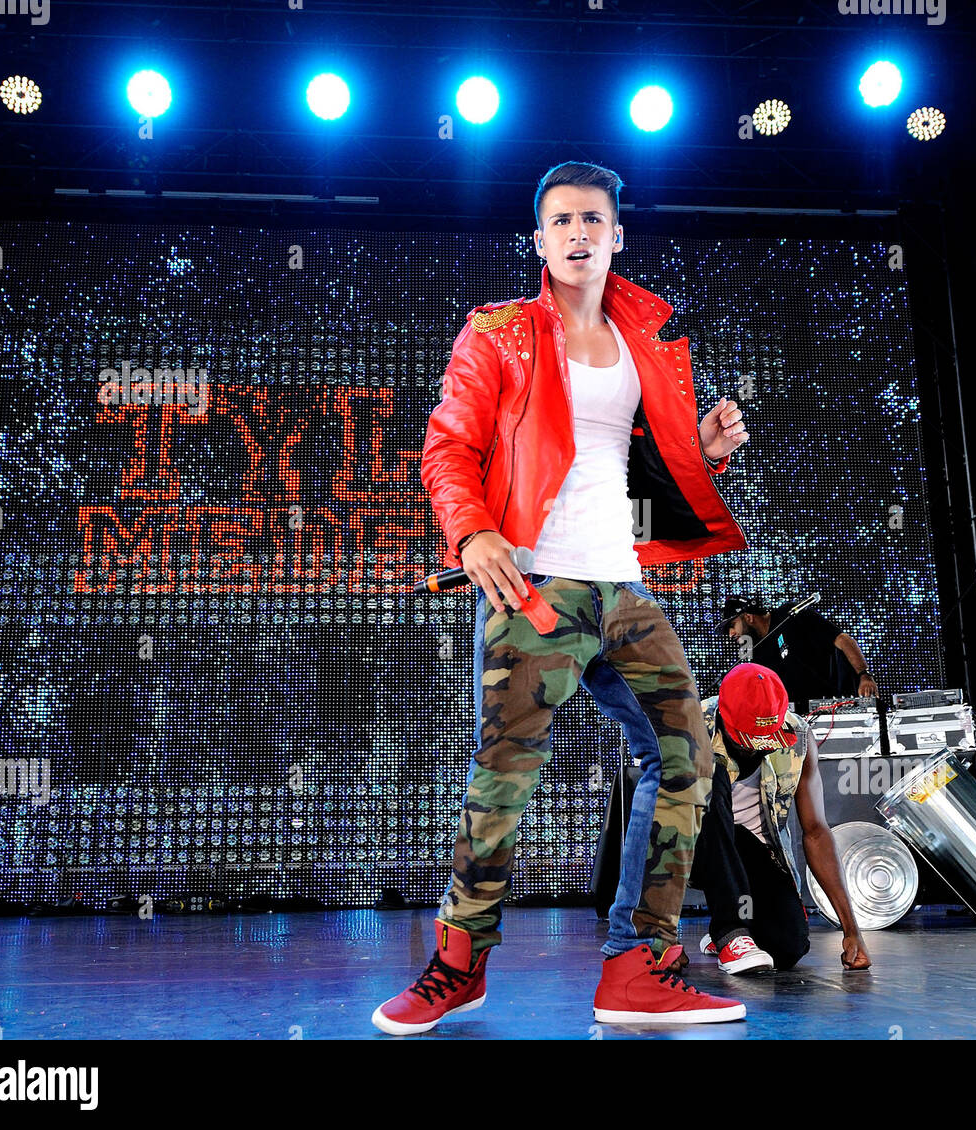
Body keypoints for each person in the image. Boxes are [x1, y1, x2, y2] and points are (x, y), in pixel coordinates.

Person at [373, 161, 752, 1035]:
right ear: (539, 240)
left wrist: (704, 449)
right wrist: (472, 535)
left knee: (689, 760)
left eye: (592, 218)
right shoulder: (499, 334)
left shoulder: (645, 338)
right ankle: (456, 964)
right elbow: (447, 448)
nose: (578, 232)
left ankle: (638, 964)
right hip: (535, 587)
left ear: (618, 234)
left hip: (623, 588)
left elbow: (638, 467)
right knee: (505, 775)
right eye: (560, 221)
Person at [693, 663, 871, 973]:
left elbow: (815, 831)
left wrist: (852, 930)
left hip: (749, 852)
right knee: (711, 778)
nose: (756, 747)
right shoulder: (692, 725)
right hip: (692, 845)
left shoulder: (798, 737)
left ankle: (729, 931)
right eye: (748, 737)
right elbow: (657, 816)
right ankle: (731, 931)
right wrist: (660, 940)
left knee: (788, 948)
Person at [715, 595, 879, 713]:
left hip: (835, 708)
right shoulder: (758, 650)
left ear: (748, 617)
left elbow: (843, 640)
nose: (730, 634)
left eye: (732, 625)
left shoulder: (790, 615)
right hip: (799, 719)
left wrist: (864, 675)